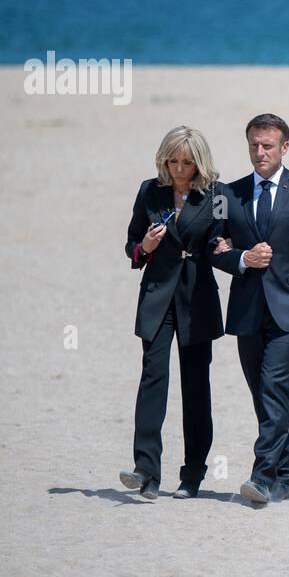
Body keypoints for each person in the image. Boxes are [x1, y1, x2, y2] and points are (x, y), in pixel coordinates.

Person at [210, 113, 289, 506]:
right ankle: (286, 476)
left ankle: (262, 478)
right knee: (264, 398)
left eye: (267, 145)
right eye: (254, 145)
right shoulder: (224, 194)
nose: (260, 152)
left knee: (273, 388)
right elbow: (212, 249)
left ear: (285, 147)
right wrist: (244, 258)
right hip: (247, 311)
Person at [120, 126, 231, 500]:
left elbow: (226, 237)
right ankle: (145, 471)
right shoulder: (149, 191)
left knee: (196, 387)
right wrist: (146, 246)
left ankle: (193, 474)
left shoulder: (218, 194)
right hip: (157, 296)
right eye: (173, 161)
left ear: (199, 162)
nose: (180, 169)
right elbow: (132, 245)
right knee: (153, 379)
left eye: (187, 162)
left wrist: (226, 246)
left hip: (197, 297)